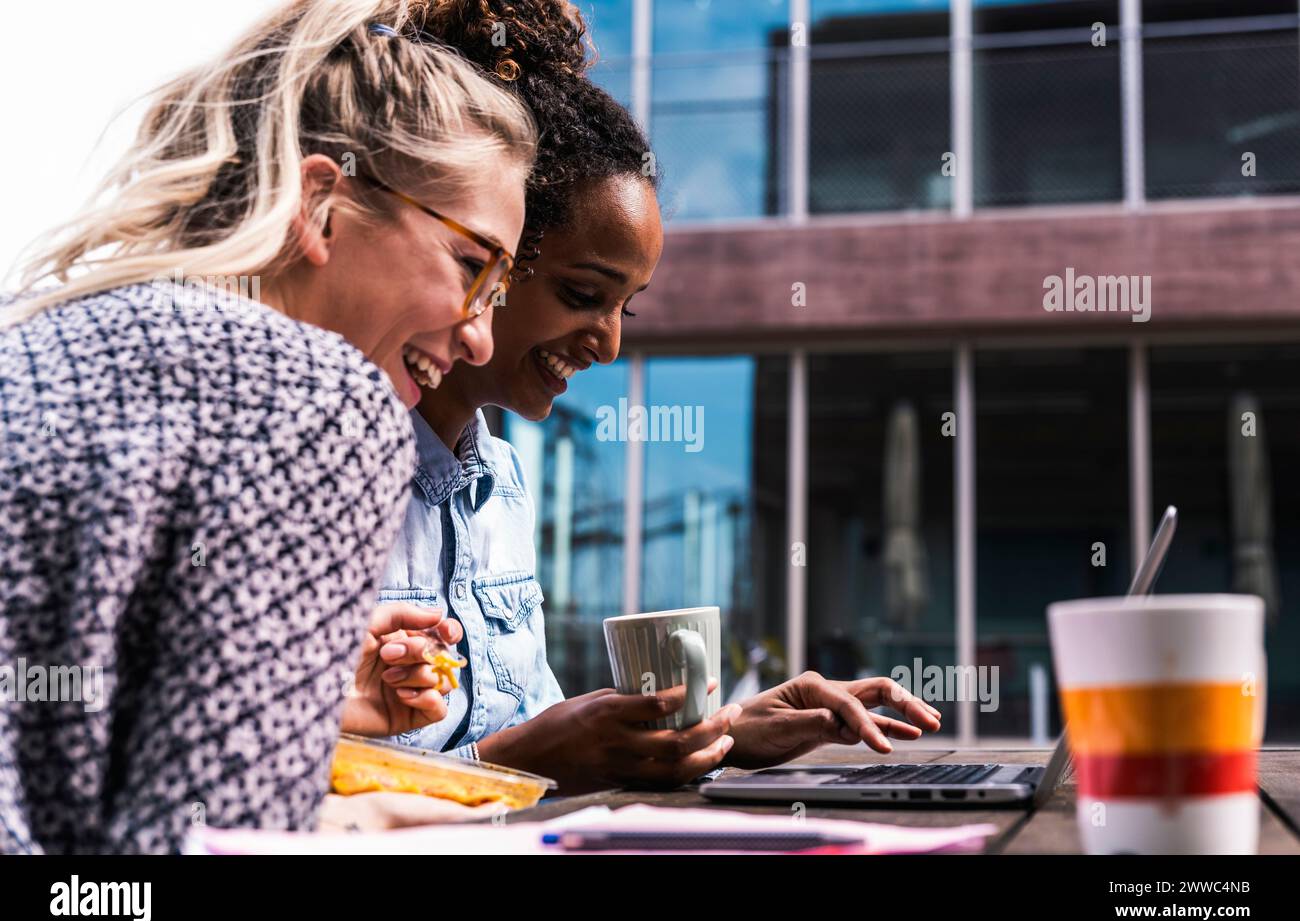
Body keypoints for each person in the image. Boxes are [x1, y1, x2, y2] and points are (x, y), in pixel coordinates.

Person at [356, 0, 942, 795]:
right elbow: (294, 791)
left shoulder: (501, 484)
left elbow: (529, 735)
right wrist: (519, 765)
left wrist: (725, 728)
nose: (608, 342)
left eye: (623, 307)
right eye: (581, 292)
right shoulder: (332, 472)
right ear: (483, 250)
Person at [0, 0, 535, 853]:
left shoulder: (42, 339)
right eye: (473, 266)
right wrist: (341, 824)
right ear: (322, 200)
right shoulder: (317, 402)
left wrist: (288, 699)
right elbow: (188, 848)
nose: (480, 336)